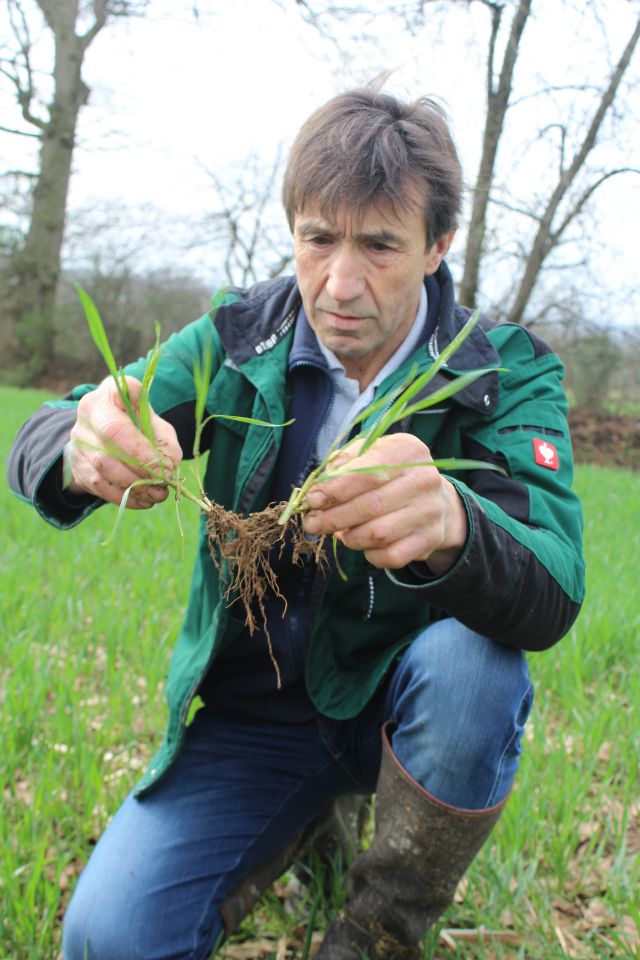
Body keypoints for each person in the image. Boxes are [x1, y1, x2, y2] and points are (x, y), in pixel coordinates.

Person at [7, 84, 585, 960]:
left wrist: (455, 524)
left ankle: (379, 926)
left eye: (381, 245)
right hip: (256, 718)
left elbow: (556, 585)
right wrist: (83, 449)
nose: (339, 283)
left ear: (438, 245)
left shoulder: (501, 375)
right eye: (317, 239)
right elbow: (56, 423)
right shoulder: (243, 339)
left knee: (476, 665)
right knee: (107, 938)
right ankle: (298, 815)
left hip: (404, 710)